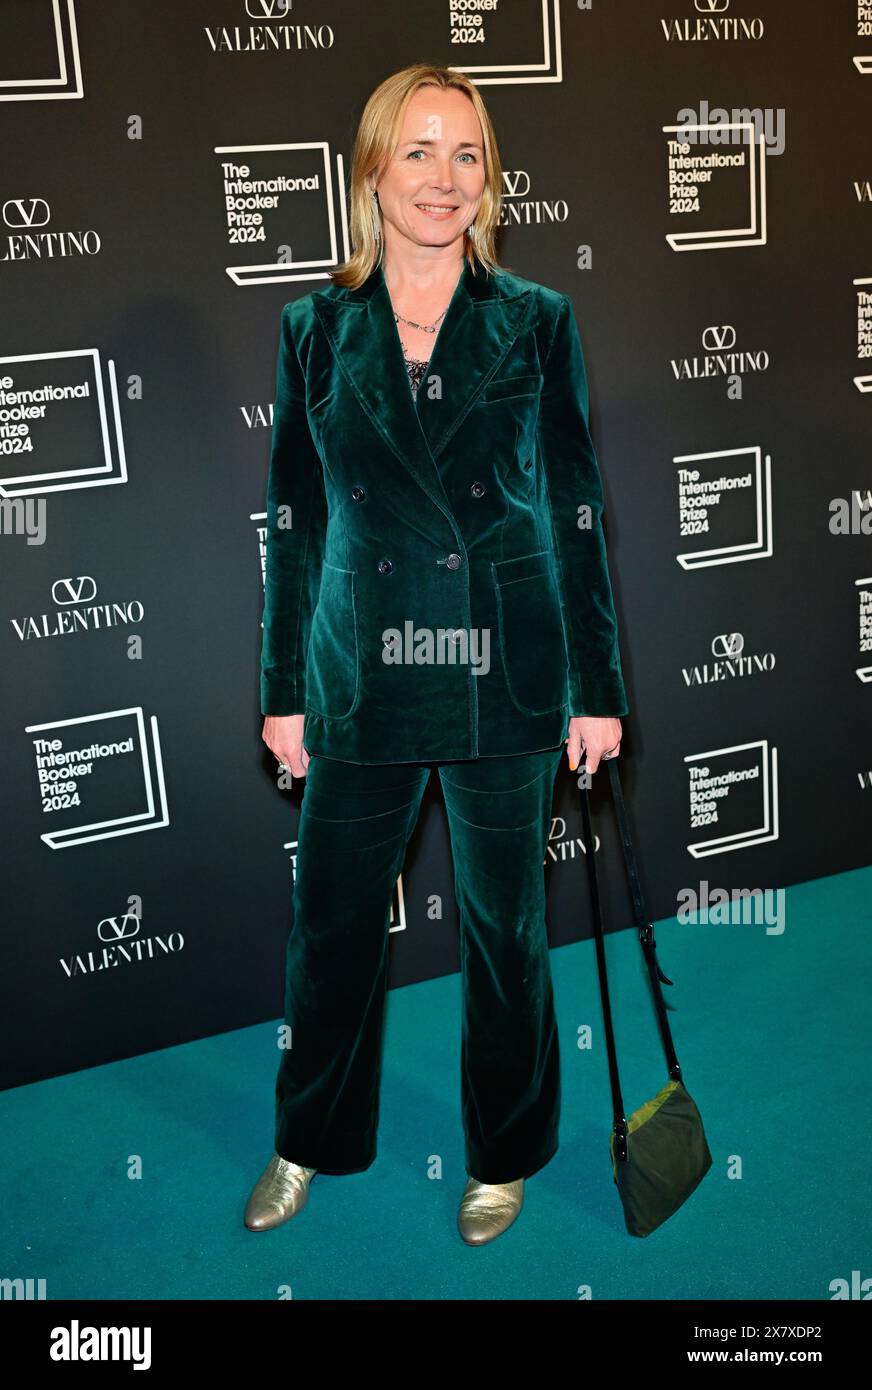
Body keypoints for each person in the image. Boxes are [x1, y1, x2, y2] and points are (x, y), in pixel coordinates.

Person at [245, 63, 627, 1246]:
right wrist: (283, 695)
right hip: (360, 674)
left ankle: (503, 1153)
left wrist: (595, 689)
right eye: (416, 151)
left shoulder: (534, 319)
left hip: (503, 674)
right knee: (333, 931)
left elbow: (574, 510)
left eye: (464, 154)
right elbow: (296, 525)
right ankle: (309, 1138)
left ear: (487, 177)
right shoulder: (314, 329)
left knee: (505, 935)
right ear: (371, 169)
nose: (441, 178)